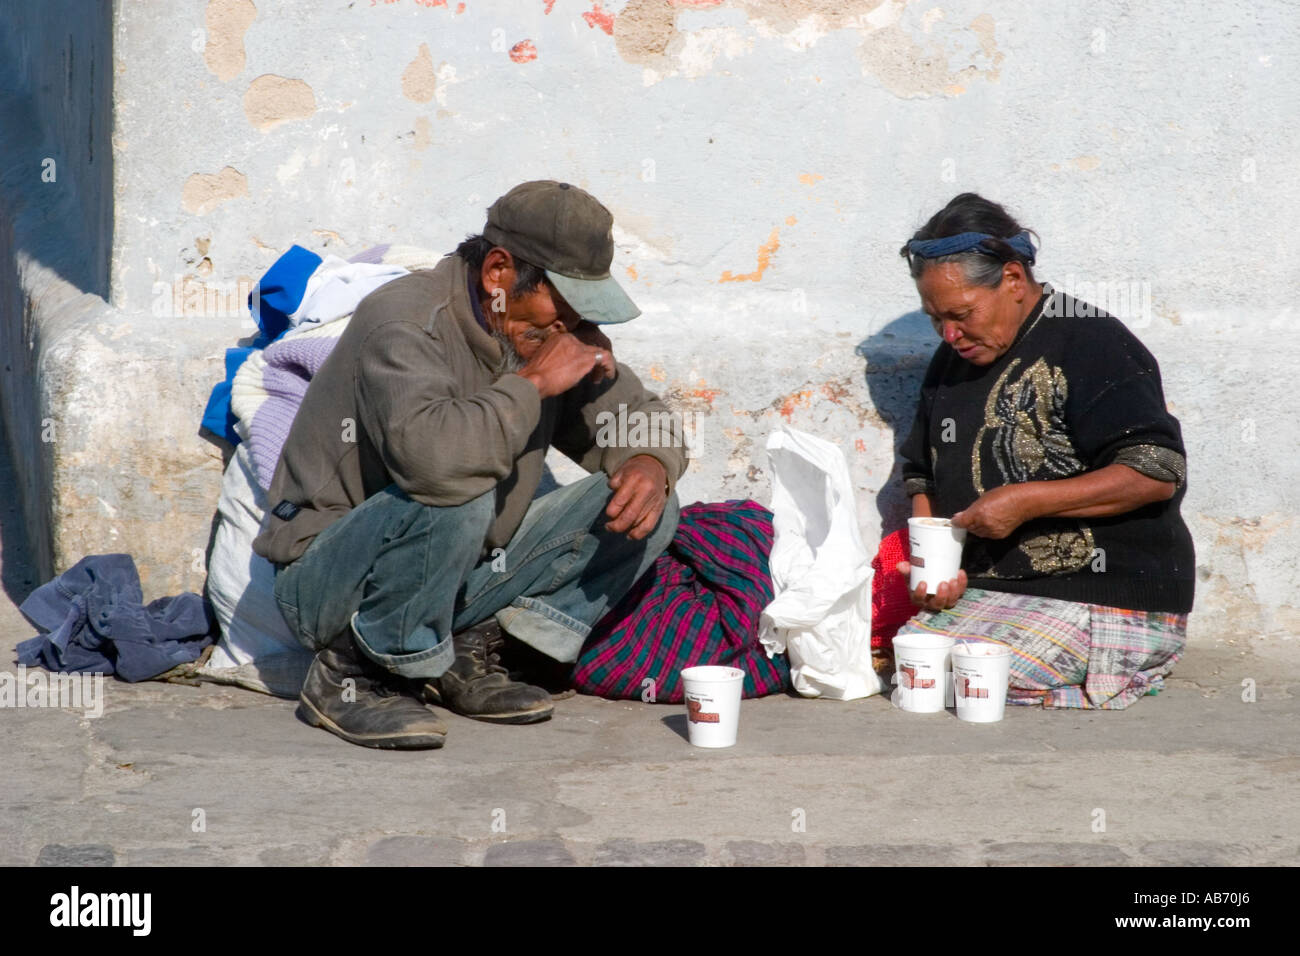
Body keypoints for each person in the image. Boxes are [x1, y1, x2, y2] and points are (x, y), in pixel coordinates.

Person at [252, 181, 685, 748]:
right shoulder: (405, 322)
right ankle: (355, 672)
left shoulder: (540, 330)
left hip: (459, 578)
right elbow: (434, 465)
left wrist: (651, 461)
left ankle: (467, 651)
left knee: (651, 498)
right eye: (565, 304)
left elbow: (643, 421)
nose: (571, 327)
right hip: (331, 582)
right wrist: (533, 383)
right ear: (499, 273)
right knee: (459, 485)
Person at [891, 193, 1194, 709]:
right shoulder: (952, 358)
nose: (949, 333)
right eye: (934, 318)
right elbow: (923, 474)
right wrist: (936, 566)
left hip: (1105, 594)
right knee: (910, 671)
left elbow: (1156, 470)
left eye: (962, 313)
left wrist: (1024, 501)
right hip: (998, 591)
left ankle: (1130, 665)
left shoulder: (1090, 340)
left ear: (1012, 279)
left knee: (968, 679)